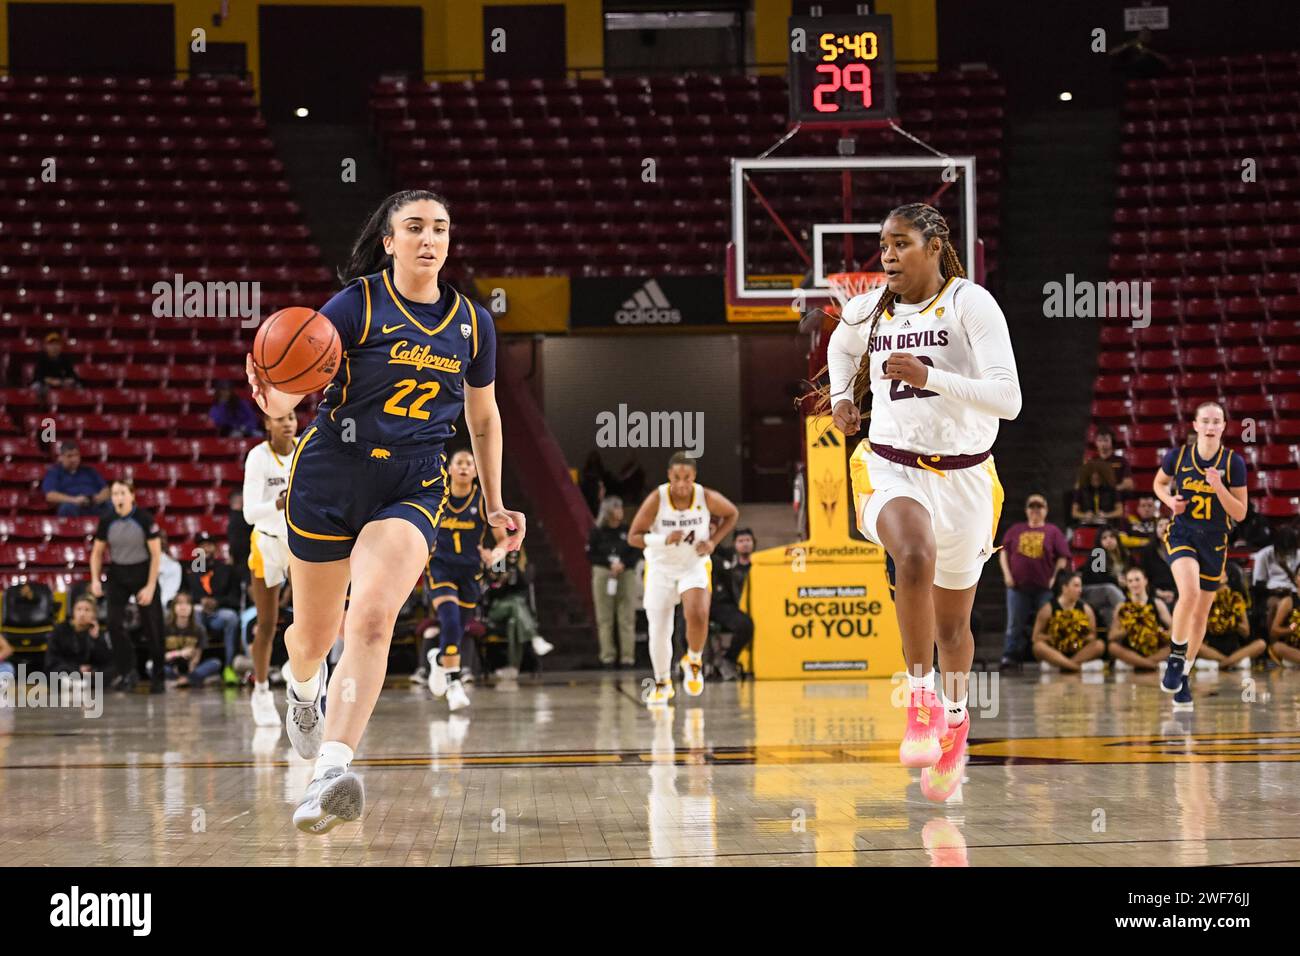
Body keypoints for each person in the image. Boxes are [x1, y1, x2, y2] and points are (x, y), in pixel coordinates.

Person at [245, 189, 524, 835]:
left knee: (370, 620)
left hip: (412, 481)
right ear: (388, 241)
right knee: (313, 638)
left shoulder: (473, 323)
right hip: (331, 473)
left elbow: (482, 416)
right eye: (415, 227)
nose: (430, 239)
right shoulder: (357, 304)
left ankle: (330, 775)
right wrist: (273, 384)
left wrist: (494, 502)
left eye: (441, 229)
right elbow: (293, 377)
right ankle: (301, 681)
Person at [824, 202, 1020, 804]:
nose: (886, 254)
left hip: (965, 478)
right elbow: (840, 346)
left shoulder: (971, 303)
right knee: (912, 554)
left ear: (935, 246)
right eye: (882, 245)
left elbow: (1007, 400)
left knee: (953, 625)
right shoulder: (869, 309)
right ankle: (919, 697)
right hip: (890, 464)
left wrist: (929, 376)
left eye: (900, 243)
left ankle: (956, 723)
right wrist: (839, 398)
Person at [1154, 401, 1248, 712]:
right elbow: (1158, 483)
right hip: (1182, 534)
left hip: (1215, 541)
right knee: (1189, 593)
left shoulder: (1234, 463)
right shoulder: (1178, 456)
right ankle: (1175, 658)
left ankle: (1183, 675)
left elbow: (1240, 513)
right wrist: (1170, 501)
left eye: (1216, 421)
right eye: (1205, 420)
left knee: (1200, 615)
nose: (1210, 425)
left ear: (1224, 426)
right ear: (1195, 425)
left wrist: (1218, 486)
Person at [628, 452, 739, 706]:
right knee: (660, 629)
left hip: (693, 564)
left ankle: (693, 659)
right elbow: (633, 536)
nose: (681, 483)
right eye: (676, 477)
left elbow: (732, 514)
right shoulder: (657, 498)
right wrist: (662, 539)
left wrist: (712, 541)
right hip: (660, 568)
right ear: (669, 476)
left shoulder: (705, 496)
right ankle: (662, 683)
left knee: (698, 613)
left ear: (694, 477)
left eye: (686, 478)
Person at [424, 449, 514, 709]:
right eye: (459, 463)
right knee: (450, 619)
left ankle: (439, 659)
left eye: (469, 464)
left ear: (475, 472)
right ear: (450, 469)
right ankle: (454, 684)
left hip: (470, 571)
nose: (464, 467)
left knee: (457, 629)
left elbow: (503, 540)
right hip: (440, 567)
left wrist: (495, 555)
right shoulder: (436, 497)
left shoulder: (482, 502)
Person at [241, 408, 299, 726]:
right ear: (268, 423)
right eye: (281, 419)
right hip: (265, 543)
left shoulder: (305, 450)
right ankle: (261, 691)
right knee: (266, 623)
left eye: (291, 417)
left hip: (298, 542)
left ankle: (299, 677)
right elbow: (249, 513)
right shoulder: (257, 457)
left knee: (307, 620)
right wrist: (281, 502)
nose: (288, 423)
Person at [89, 478, 165, 693]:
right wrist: (95, 579)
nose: (118, 498)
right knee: (113, 623)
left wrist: (150, 586)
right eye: (115, 494)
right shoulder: (106, 520)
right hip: (118, 573)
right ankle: (127, 671)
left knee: (153, 626)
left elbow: (156, 555)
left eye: (123, 493)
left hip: (143, 571)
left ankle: (157, 676)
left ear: (132, 495)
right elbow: (96, 553)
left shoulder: (144, 519)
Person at [998, 495, 1070, 668]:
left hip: (1044, 587)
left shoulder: (1053, 531)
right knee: (1014, 623)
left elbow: (1063, 557)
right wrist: (1007, 575)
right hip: (1018, 587)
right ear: (1026, 510)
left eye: (1040, 506)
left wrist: (1054, 577)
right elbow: (1003, 552)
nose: (1036, 510)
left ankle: (1051, 656)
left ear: (1046, 510)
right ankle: (1010, 655)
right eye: (1032, 506)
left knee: (1048, 622)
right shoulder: (1016, 529)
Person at [184, 531, 243, 685]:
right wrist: (200, 601)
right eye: (202, 546)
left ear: (215, 549)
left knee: (231, 617)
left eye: (209, 545)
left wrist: (216, 602)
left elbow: (235, 599)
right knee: (194, 613)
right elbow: (184, 595)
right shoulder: (190, 571)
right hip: (198, 613)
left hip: (219, 614)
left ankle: (229, 666)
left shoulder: (227, 570)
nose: (206, 549)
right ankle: (195, 665)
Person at [587, 495, 638, 668]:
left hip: (625, 573)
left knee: (627, 616)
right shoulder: (597, 532)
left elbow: (635, 551)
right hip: (604, 572)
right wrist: (609, 564)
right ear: (608, 512)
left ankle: (627, 657)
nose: (620, 512)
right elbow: (591, 554)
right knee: (604, 617)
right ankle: (607, 657)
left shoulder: (628, 530)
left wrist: (623, 564)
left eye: (621, 508)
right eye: (617, 508)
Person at [481, 547, 545, 678]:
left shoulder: (523, 568)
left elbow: (525, 592)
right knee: (516, 603)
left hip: (516, 614)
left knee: (513, 623)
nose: (512, 557)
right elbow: (492, 592)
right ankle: (534, 637)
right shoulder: (500, 564)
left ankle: (513, 667)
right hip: (497, 609)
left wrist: (517, 572)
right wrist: (501, 580)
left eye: (515, 554)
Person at [1031, 570, 1105, 673]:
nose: (1080, 590)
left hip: (1078, 651)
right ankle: (1076, 667)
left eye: (1080, 586)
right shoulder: (1048, 609)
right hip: (1055, 650)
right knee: (1038, 647)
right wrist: (1055, 637)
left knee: (1099, 645)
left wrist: (1078, 637)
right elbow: (1035, 637)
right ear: (1064, 588)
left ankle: (1064, 665)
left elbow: (1093, 635)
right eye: (1076, 586)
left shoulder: (1086, 609)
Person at [709, 527, 756, 681]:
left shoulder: (759, 565)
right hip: (729, 607)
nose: (745, 544)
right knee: (745, 625)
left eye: (748, 540)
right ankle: (727, 660)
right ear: (734, 544)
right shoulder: (724, 563)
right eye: (741, 541)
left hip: (758, 607)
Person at [1107, 567, 1172, 671]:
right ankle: (1151, 665)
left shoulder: (1157, 604)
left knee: (1174, 645)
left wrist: (1160, 632)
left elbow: (1174, 629)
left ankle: (1139, 663)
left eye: (1137, 580)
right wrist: (1128, 628)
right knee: (1112, 647)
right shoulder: (1121, 606)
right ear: (1127, 584)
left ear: (1145, 581)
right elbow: (1111, 636)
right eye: (1130, 581)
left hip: (1154, 650)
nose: (1134, 584)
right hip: (1131, 651)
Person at [1198, 582, 1266, 672]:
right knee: (1193, 645)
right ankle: (1230, 662)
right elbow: (1199, 630)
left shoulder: (1236, 599)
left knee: (1261, 644)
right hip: (1212, 650)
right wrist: (1217, 618)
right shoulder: (1205, 600)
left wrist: (1231, 618)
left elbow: (1246, 632)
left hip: (1234, 650)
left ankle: (1222, 664)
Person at [44, 594, 115, 678]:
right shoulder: (61, 629)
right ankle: (84, 684)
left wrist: (96, 638)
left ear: (94, 614)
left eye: (87, 610)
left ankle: (84, 684)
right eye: (79, 609)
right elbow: (52, 659)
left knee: (112, 667)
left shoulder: (98, 631)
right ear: (73, 612)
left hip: (88, 672)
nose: (82, 614)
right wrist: (77, 669)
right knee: (55, 671)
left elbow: (104, 660)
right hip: (67, 670)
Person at [1252, 523, 1299, 644]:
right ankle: (1273, 643)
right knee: (1274, 605)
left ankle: (1277, 644)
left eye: (1290, 549)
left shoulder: (1298, 555)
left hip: (1294, 593)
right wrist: (1274, 591)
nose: (1287, 552)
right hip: (1271, 593)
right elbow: (1257, 585)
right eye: (1284, 549)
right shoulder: (1265, 555)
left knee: (1285, 602)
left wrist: (1286, 568)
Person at [164, 592, 222, 688]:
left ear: (192, 608)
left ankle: (180, 681)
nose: (183, 607)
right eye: (179, 604)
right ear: (174, 608)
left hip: (190, 668)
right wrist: (180, 653)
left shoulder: (198, 629)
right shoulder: (166, 628)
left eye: (187, 604)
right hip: (171, 667)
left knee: (216, 663)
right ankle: (193, 681)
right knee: (151, 666)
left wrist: (191, 665)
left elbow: (197, 656)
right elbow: (161, 656)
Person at [42, 441, 110, 517]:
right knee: (66, 508)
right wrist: (74, 500)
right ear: (61, 457)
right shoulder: (54, 473)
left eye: (76, 455)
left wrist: (98, 498)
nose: (74, 459)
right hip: (73, 505)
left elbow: (106, 490)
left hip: (94, 504)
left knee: (112, 505)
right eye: (69, 456)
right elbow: (50, 496)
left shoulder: (89, 471)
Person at [1080, 527, 1128, 629]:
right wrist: (1117, 581)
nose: (1108, 540)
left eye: (1111, 537)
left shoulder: (1125, 555)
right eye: (1104, 538)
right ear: (1099, 541)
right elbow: (1097, 579)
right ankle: (1130, 615)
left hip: (1111, 596)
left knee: (1107, 610)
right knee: (1110, 589)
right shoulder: (1098, 554)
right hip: (1090, 592)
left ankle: (1116, 637)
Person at [1072, 460, 1124, 528]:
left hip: (1107, 525)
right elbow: (1074, 513)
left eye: (1098, 479)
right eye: (1093, 480)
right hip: (1086, 524)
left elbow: (1120, 511)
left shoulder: (1111, 489)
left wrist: (1106, 515)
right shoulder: (1082, 490)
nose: (1095, 482)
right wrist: (1084, 515)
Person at [1141, 515, 1178, 606]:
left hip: (1179, 592)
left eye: (1167, 525)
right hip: (1155, 593)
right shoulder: (1148, 551)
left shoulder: (1181, 550)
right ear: (1155, 530)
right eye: (1160, 525)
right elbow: (1145, 576)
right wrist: (1158, 592)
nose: (1164, 528)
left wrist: (1175, 593)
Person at [1267, 565, 1300, 668]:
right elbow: (1273, 631)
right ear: (1295, 579)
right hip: (1291, 647)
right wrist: (1291, 629)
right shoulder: (1289, 601)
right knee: (1277, 647)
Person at [1086, 427, 1134, 496]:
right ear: (1096, 443)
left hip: (1116, 497)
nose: (1103, 444)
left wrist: (1112, 490)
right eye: (1100, 440)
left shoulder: (1122, 461)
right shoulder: (1091, 462)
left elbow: (1129, 484)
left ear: (1112, 442)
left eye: (1106, 440)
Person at [227, 489, 254, 587]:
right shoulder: (242, 519)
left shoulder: (231, 518)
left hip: (242, 558)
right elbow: (235, 543)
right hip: (245, 558)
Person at [156, 530, 183, 609]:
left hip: (164, 605)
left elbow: (171, 592)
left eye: (162, 538)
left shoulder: (174, 565)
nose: (159, 541)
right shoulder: (137, 562)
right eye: (156, 538)